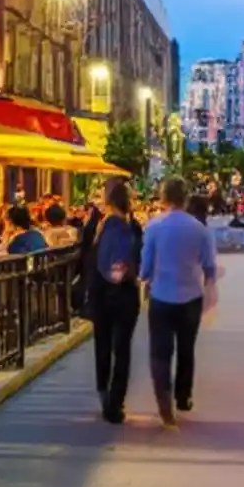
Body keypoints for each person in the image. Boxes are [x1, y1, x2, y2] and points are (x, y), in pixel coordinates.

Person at [141, 178, 217, 426]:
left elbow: (145, 267)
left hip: (161, 296)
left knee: (160, 352)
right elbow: (209, 266)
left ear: (163, 198)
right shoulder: (199, 229)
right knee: (186, 350)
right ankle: (183, 397)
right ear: (185, 198)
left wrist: (144, 279)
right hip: (190, 297)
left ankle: (163, 398)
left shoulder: (153, 227)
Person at [88, 181, 140, 424]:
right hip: (125, 293)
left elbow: (86, 256)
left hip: (101, 294)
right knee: (122, 348)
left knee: (103, 345)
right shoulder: (134, 228)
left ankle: (104, 393)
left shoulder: (100, 228)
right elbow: (139, 258)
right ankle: (116, 400)